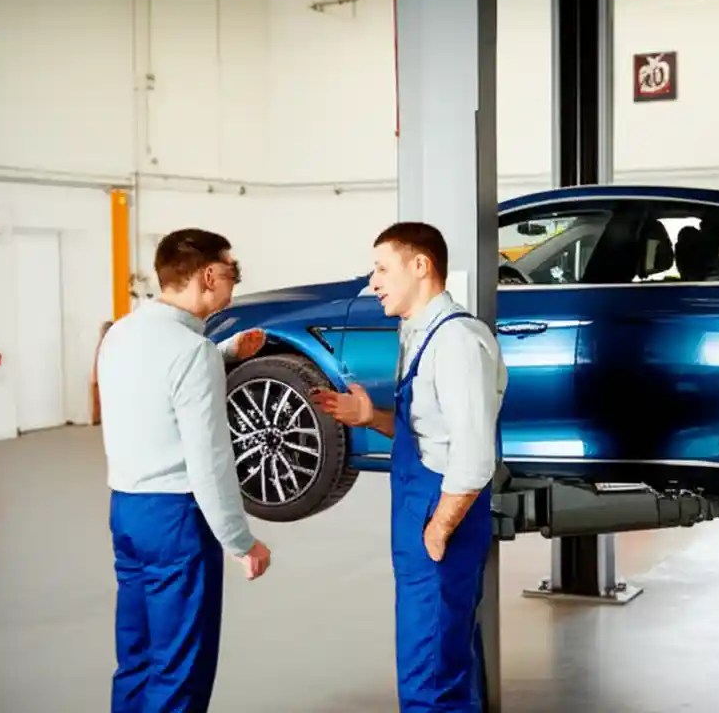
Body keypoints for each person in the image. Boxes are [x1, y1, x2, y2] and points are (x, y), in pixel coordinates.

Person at [310, 222, 506, 712]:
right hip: (421, 514)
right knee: (440, 655)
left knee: (432, 673)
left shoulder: (457, 341)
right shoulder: (416, 333)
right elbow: (430, 431)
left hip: (438, 519)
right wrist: (368, 418)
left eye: (382, 268)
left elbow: (474, 454)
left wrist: (438, 530)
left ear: (421, 266)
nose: (372, 282)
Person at [97, 228, 272, 713]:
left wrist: (226, 353)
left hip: (128, 511)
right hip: (177, 520)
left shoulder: (121, 334)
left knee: (138, 657)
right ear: (210, 275)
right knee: (180, 670)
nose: (233, 285)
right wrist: (241, 543)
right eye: (233, 274)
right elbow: (210, 465)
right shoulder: (191, 354)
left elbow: (156, 385)